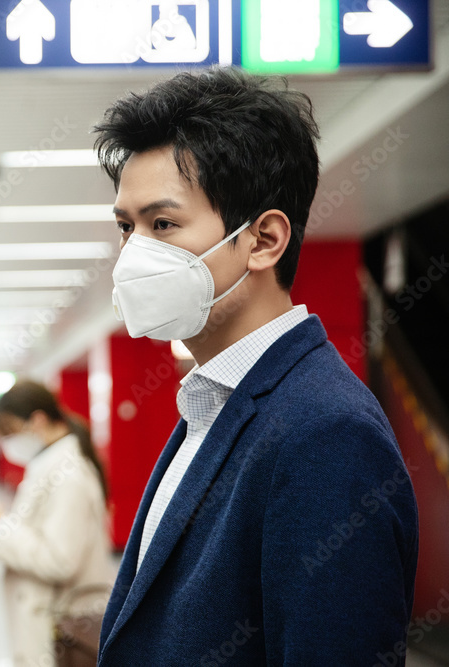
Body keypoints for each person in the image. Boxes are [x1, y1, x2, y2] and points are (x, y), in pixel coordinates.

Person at [94, 67, 419, 664]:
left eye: (162, 224)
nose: (133, 253)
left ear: (265, 239)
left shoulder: (325, 434)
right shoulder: (211, 405)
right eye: (126, 227)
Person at [0, 381, 114, 667]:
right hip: (47, 622)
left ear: (37, 420)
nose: (7, 442)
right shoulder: (51, 464)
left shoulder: (68, 475)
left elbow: (60, 560)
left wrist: (0, 526)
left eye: (10, 431)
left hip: (57, 627)